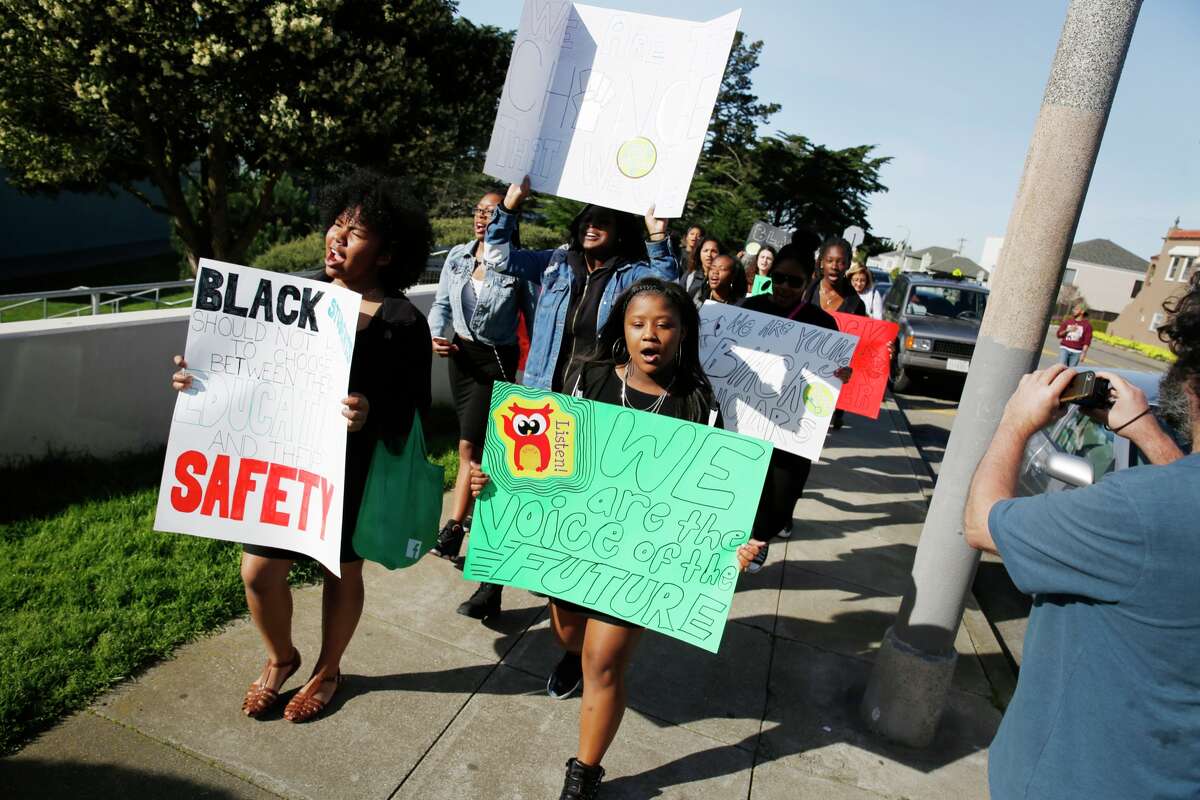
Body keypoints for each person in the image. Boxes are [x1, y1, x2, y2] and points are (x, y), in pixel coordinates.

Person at [467, 279, 765, 800]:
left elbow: (710, 495)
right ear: (622, 331)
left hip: (638, 563)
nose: (651, 335)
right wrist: (500, 477)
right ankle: (569, 655)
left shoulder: (699, 402)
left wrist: (730, 546)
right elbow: (547, 449)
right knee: (569, 635)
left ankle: (584, 772)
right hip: (573, 546)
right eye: (638, 323)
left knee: (604, 663)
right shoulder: (589, 377)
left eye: (665, 324)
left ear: (683, 332)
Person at [170, 171, 434, 722]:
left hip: (349, 470)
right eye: (337, 223)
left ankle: (328, 669)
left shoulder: (405, 322)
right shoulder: (292, 295)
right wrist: (200, 379)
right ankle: (280, 658)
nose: (338, 237)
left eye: (356, 232)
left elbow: (412, 412)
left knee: (341, 570)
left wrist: (369, 415)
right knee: (258, 571)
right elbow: (249, 370)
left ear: (386, 255)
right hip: (280, 462)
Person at [963, 277, 1200, 799]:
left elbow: (982, 522)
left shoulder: (1133, 509)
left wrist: (1014, 422)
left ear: (1189, 386)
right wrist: (1149, 433)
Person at [452, 176, 678, 619]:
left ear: (620, 229)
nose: (592, 226)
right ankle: (490, 586)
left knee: (569, 501)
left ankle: (564, 598)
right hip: (540, 395)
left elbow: (667, 288)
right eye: (587, 218)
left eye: (604, 220)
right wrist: (510, 208)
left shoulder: (631, 274)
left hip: (593, 406)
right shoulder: (556, 262)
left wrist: (657, 236)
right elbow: (499, 258)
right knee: (512, 493)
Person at [426, 190, 536, 567]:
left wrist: (536, 374)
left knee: (467, 446)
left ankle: (453, 526)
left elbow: (535, 321)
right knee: (478, 448)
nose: (482, 218)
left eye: (492, 212)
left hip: (494, 361)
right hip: (460, 358)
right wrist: (436, 335)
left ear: (507, 220)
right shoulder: (457, 256)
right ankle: (474, 520)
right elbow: (440, 304)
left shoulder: (517, 265)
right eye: (479, 211)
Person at [737, 244, 852, 568]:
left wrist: (842, 374)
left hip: (791, 427)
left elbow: (831, 372)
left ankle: (760, 539)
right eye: (779, 278)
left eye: (794, 281)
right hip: (745, 420)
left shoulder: (822, 322)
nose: (785, 286)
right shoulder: (748, 308)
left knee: (779, 496)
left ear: (808, 282)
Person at [680, 235, 720, 305]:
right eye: (705, 250)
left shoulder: (724, 279)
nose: (709, 254)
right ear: (699, 253)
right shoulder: (690, 276)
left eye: (714, 251)